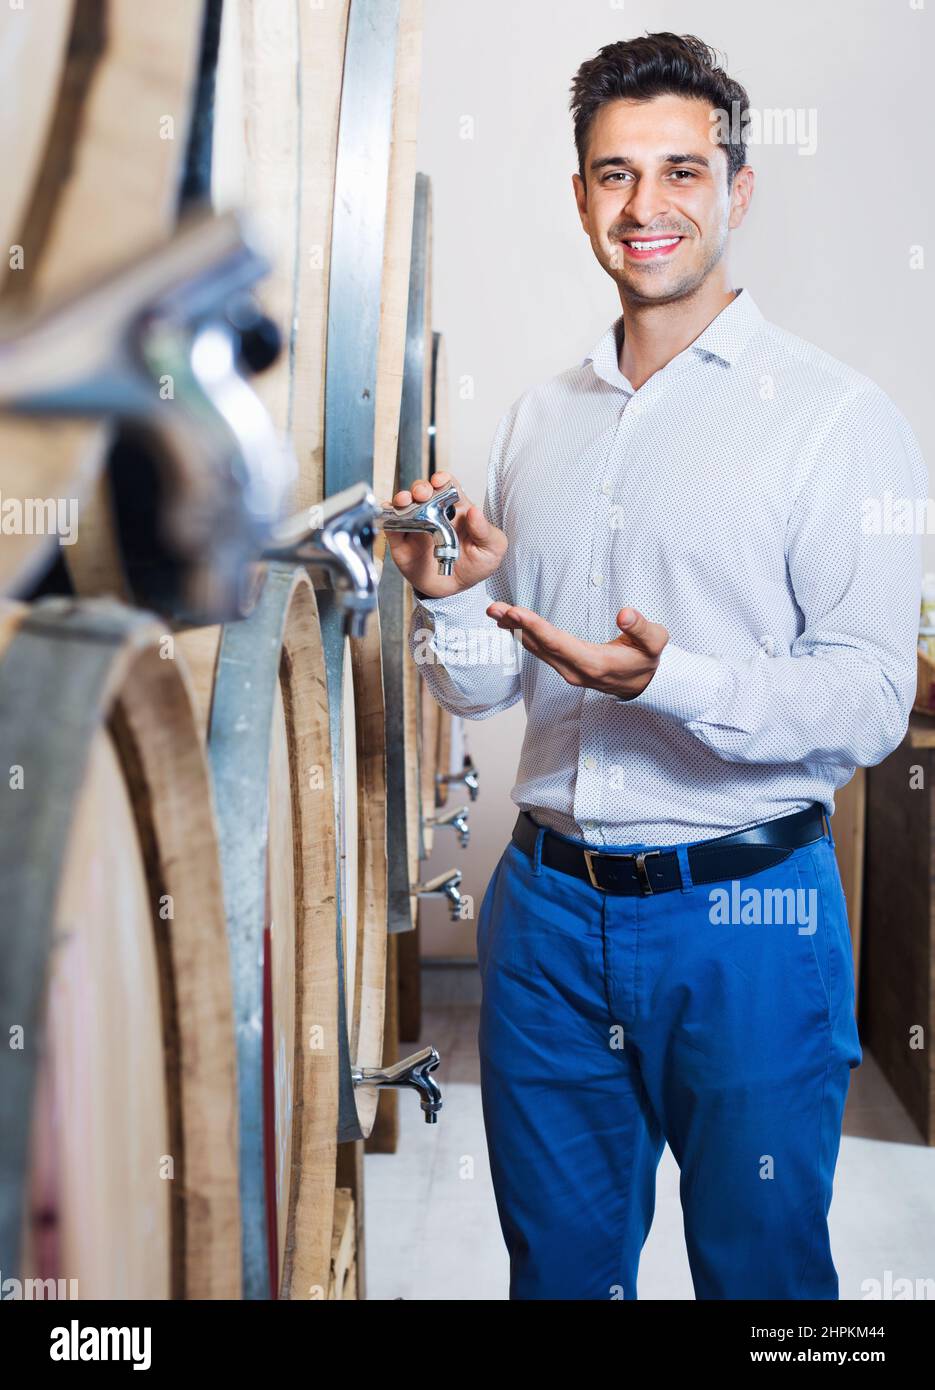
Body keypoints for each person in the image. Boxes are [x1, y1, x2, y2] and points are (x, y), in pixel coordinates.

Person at [383, 32, 927, 1300]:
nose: (647, 207)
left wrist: (667, 681)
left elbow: (870, 698)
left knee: (764, 1280)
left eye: (680, 171)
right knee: (561, 1275)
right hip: (547, 917)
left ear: (737, 189)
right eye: (614, 174)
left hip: (745, 916)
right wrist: (457, 606)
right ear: (578, 197)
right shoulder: (541, 417)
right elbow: (483, 689)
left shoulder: (834, 421)